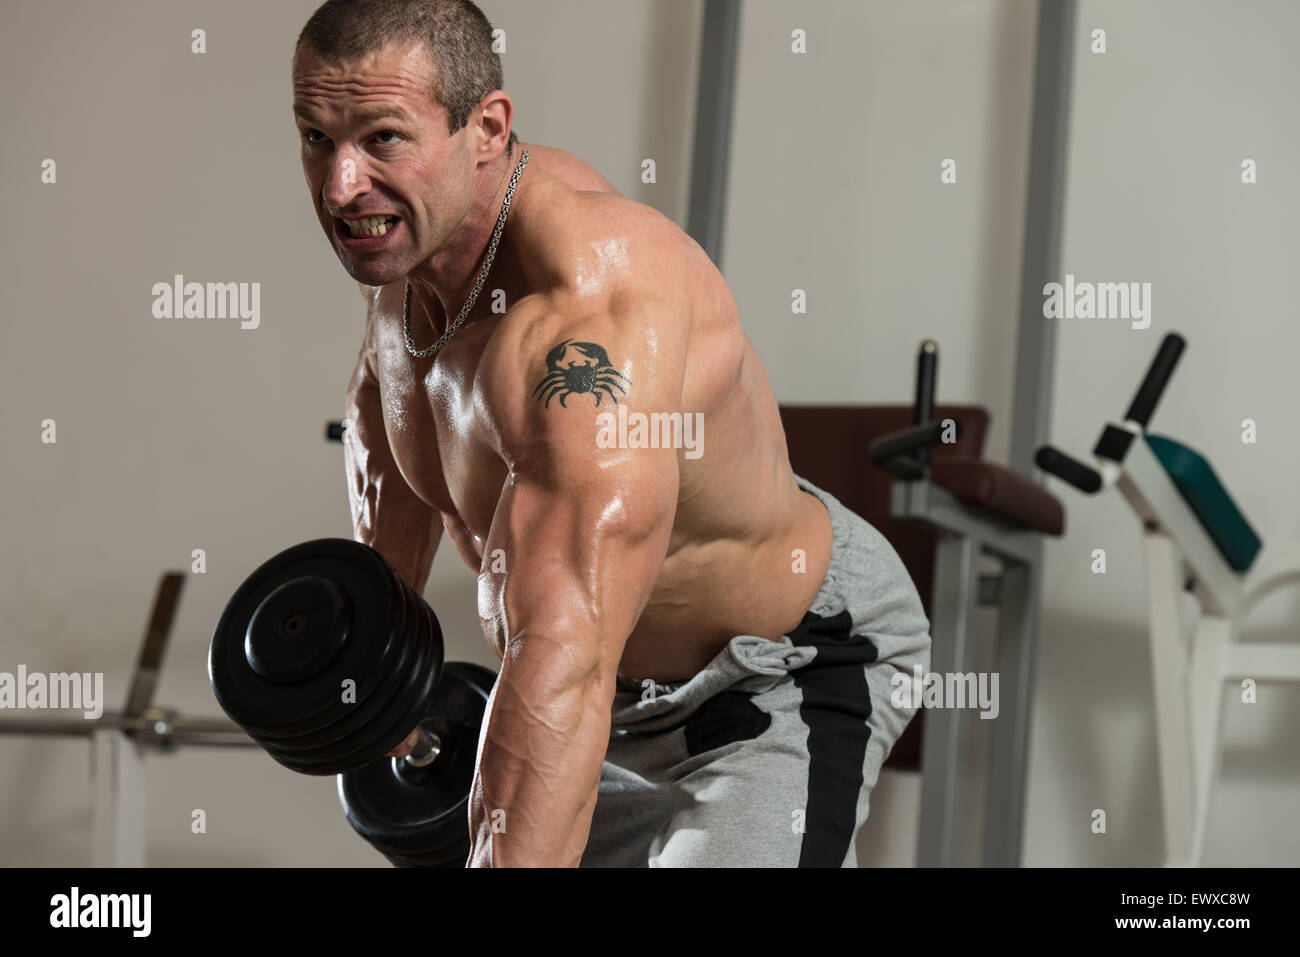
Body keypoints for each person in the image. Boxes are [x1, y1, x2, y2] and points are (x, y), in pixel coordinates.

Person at [292, 0, 930, 867]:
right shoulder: (407, 269)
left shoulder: (588, 312)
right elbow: (396, 473)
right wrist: (388, 681)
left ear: (487, 127)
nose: (340, 186)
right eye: (317, 138)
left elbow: (563, 646)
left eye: (383, 138)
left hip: (775, 670)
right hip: (602, 692)